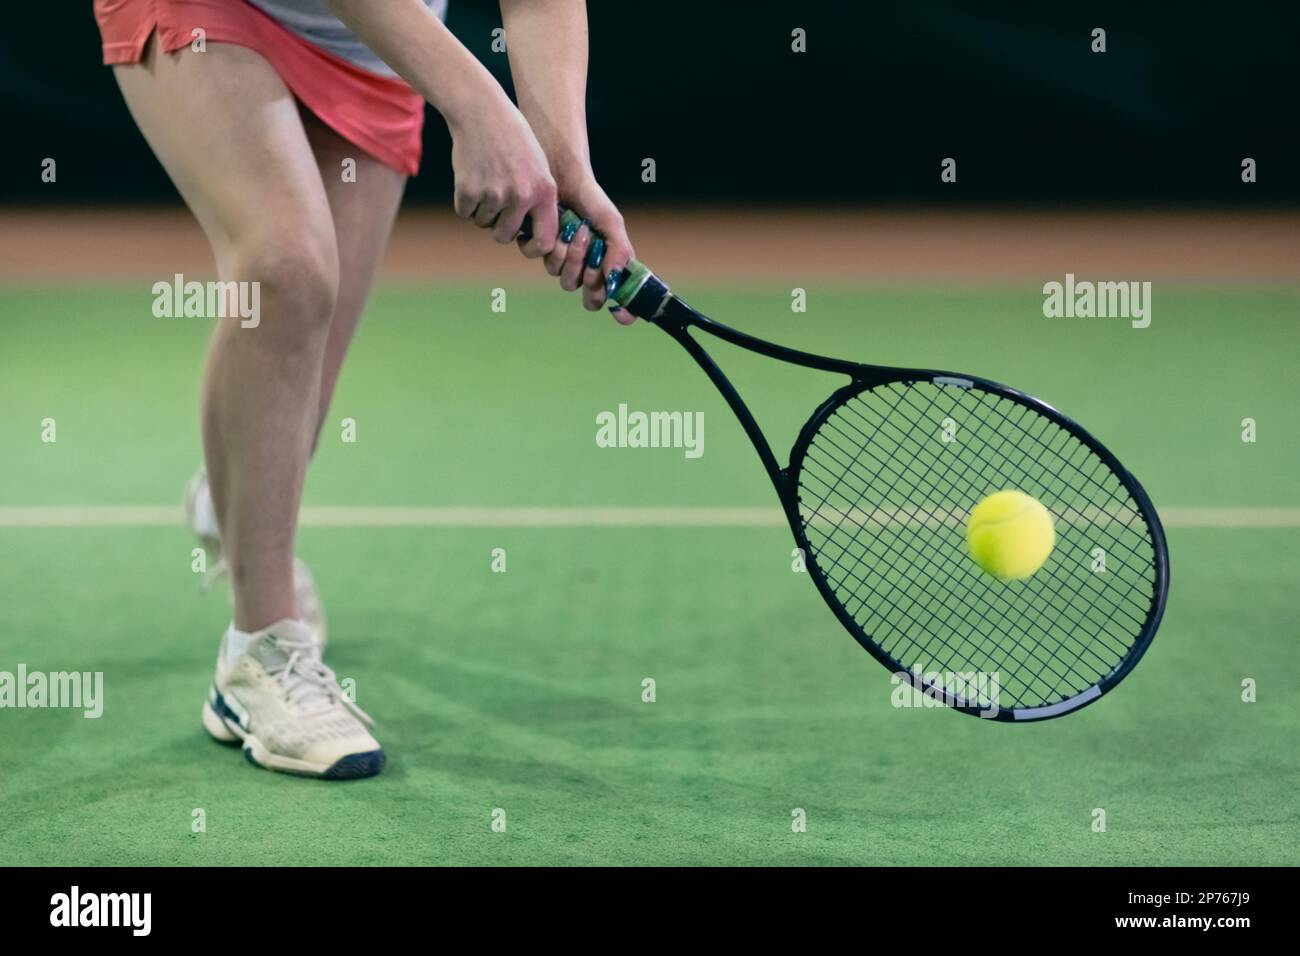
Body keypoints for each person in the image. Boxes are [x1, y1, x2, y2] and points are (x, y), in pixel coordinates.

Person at [94, 0, 634, 779]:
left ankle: (228, 504)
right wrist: (479, 106)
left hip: (377, 44)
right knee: (287, 269)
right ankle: (260, 654)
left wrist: (563, 166)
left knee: (294, 398)